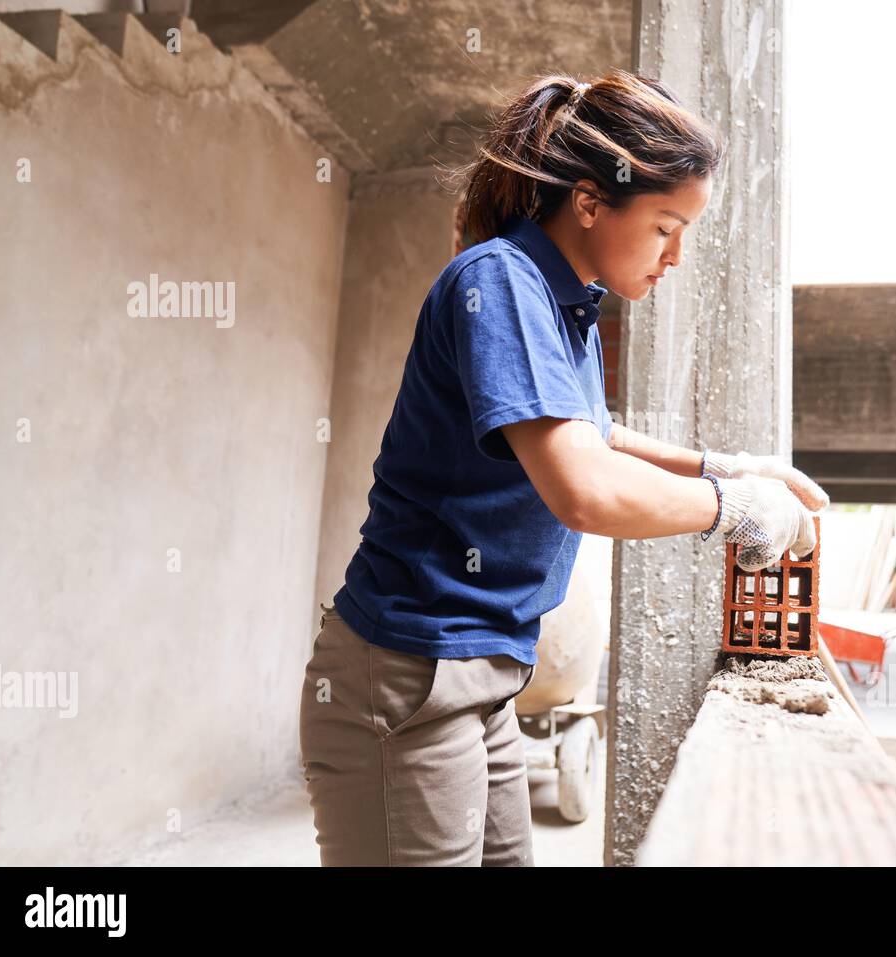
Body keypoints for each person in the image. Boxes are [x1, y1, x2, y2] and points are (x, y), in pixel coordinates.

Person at [298, 68, 829, 867]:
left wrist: (728, 464)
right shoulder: (499, 282)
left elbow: (595, 438)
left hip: (484, 675)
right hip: (408, 676)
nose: (676, 255)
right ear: (589, 201)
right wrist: (734, 506)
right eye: (664, 226)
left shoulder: (564, 303)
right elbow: (581, 486)